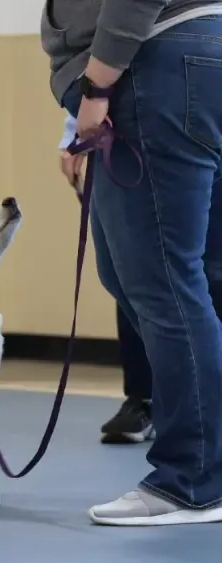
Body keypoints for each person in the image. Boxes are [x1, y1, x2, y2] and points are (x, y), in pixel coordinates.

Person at [42, 0, 222, 526]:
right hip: (192, 60)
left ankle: (192, 478)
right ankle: (204, 466)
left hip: (152, 66)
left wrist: (95, 92)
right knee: (190, 280)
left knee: (164, 282)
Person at [58, 115, 154, 445]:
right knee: (127, 274)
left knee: (200, 274)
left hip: (193, 124)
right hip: (131, 138)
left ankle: (198, 408)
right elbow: (94, 67)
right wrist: (74, 133)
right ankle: (143, 398)